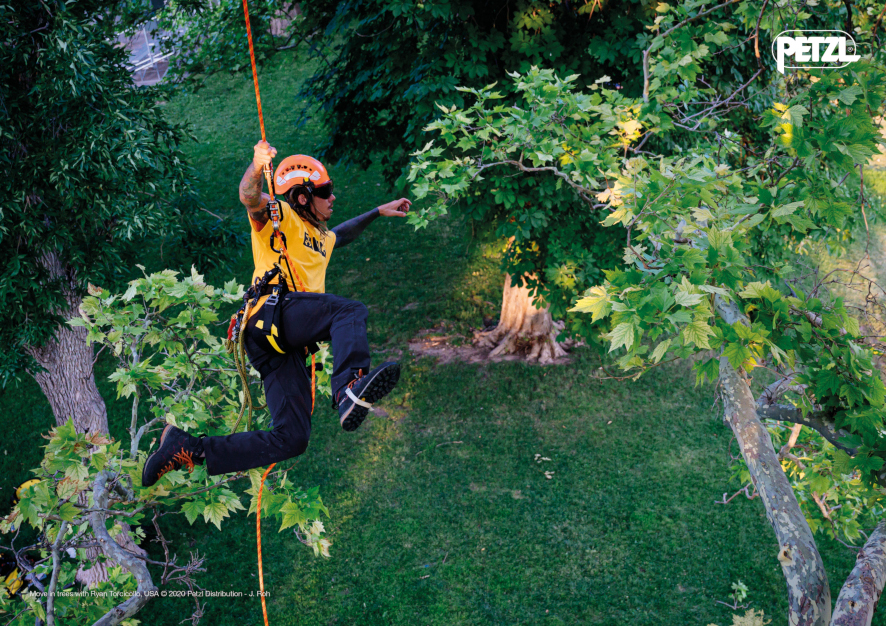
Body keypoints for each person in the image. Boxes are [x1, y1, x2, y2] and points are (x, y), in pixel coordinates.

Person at [141, 140, 411, 487]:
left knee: (293, 437)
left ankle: (189, 449)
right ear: (301, 197)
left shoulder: (320, 236)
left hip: (277, 341)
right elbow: (249, 197)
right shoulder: (280, 216)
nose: (333, 198)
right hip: (273, 313)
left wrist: (376, 212)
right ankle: (349, 386)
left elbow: (342, 235)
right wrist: (256, 164)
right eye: (325, 191)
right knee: (349, 312)